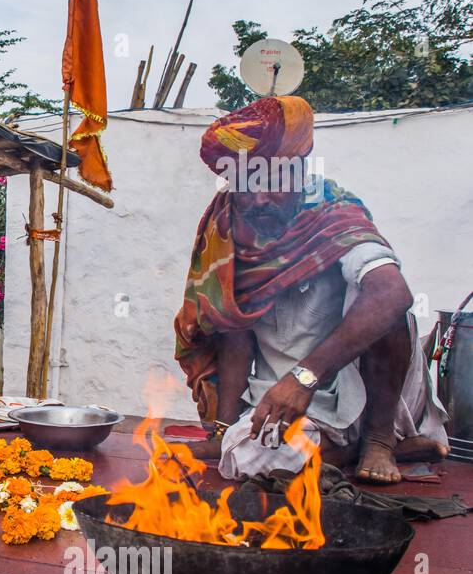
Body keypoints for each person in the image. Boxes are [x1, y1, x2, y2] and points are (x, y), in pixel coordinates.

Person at [176, 95, 448, 484]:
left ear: (298, 172)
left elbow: (393, 294)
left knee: (382, 296)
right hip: (277, 399)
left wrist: (304, 378)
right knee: (249, 458)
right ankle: (352, 454)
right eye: (246, 186)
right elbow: (234, 330)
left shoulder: (334, 211)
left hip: (355, 398)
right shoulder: (230, 226)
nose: (259, 198)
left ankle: (380, 440)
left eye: (271, 183)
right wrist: (223, 431)